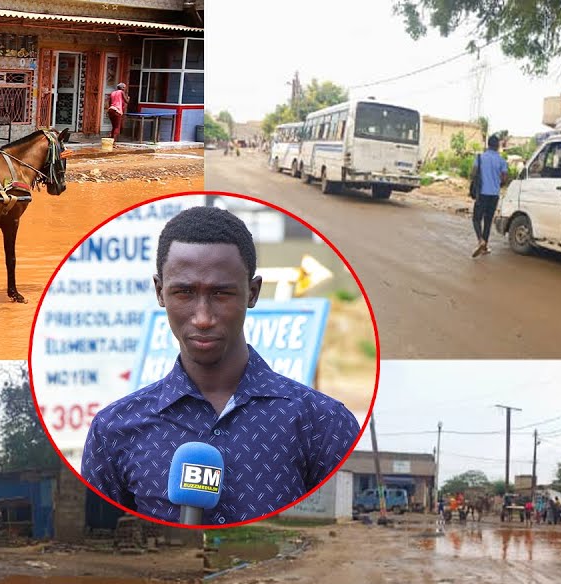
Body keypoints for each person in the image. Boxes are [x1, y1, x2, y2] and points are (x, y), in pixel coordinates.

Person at [82, 206, 362, 524]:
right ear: (160, 292)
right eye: (184, 293)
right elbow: (98, 546)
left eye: (221, 293)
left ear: (252, 292)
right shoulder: (114, 430)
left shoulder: (322, 423)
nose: (203, 317)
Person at [470, 134, 510, 258]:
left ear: (488, 145)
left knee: (476, 219)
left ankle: (480, 241)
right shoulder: (502, 160)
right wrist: (496, 181)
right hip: (494, 195)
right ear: (498, 146)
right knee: (488, 221)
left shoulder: (480, 158)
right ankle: (485, 246)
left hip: (482, 193)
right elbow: (504, 178)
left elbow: (473, 173)